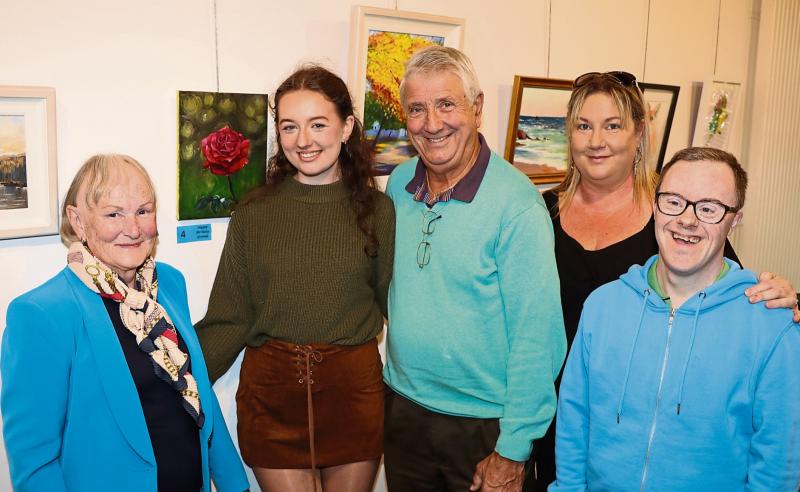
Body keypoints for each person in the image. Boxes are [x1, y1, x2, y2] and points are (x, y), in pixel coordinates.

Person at [525, 71, 800, 491]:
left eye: (612, 125)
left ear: (639, 133)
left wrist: (789, 302)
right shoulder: (542, 214)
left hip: (677, 440)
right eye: (583, 125)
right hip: (566, 423)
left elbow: (733, 294)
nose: (596, 140)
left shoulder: (679, 216)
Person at [195, 65, 394, 492]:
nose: (303, 141)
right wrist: (172, 382)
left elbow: (392, 303)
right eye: (290, 127)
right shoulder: (252, 214)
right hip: (272, 398)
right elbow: (230, 317)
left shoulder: (379, 213)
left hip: (353, 397)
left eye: (318, 124)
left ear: (346, 128)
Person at [1, 154, 249, 491]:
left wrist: (235, 483)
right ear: (78, 221)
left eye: (143, 211)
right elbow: (35, 462)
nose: (132, 230)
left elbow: (196, 391)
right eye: (113, 214)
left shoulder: (169, 285)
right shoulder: (41, 314)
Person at [382, 45, 565, 492]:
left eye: (447, 104)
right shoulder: (398, 185)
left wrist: (514, 447)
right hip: (403, 410)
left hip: (484, 425)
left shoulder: (517, 205)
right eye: (417, 109)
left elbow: (537, 338)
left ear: (477, 107)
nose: (432, 123)